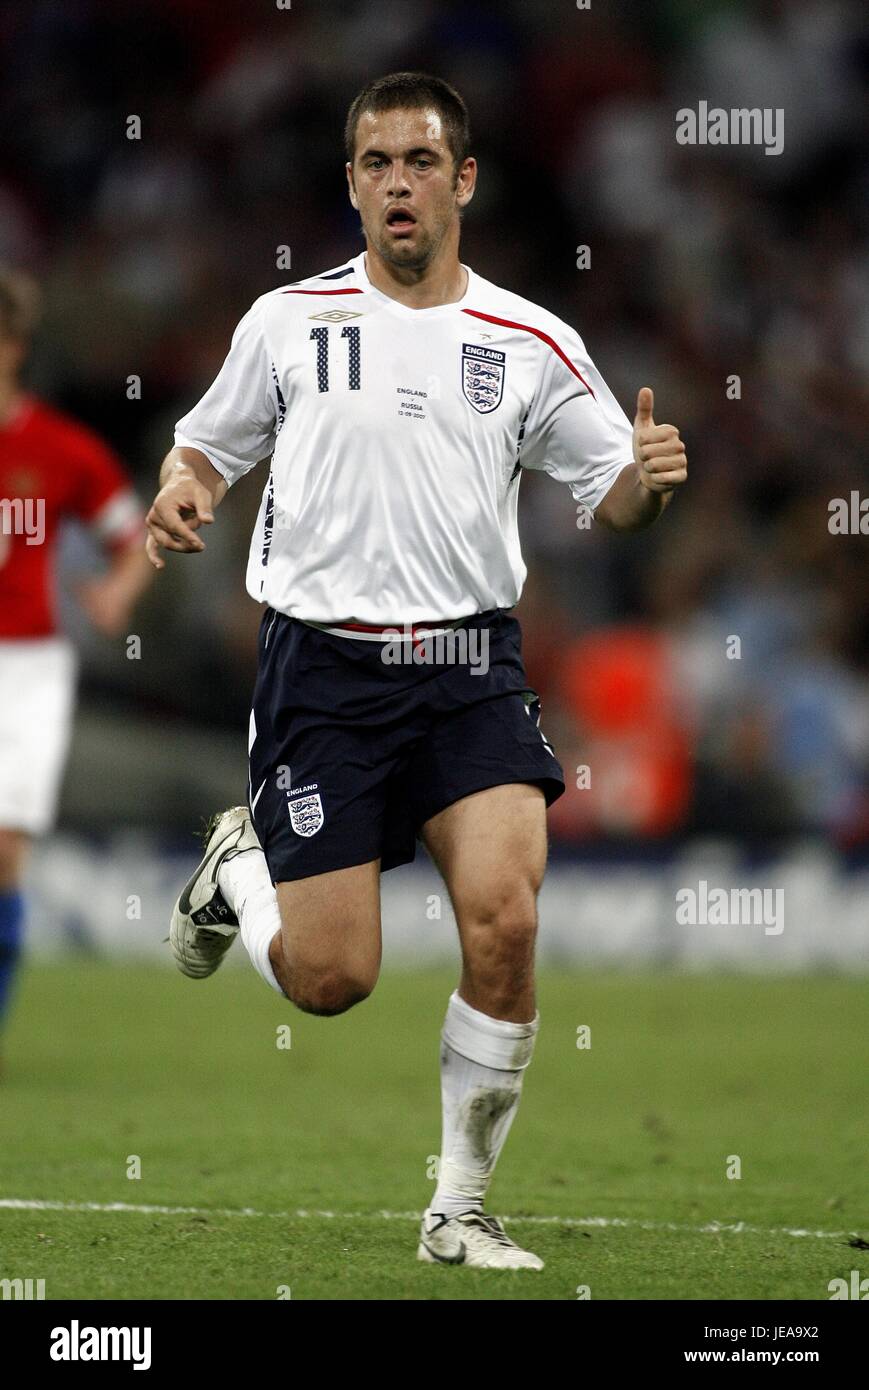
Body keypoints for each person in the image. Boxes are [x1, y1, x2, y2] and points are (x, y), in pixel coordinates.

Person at [145, 72, 688, 1270]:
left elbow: (613, 497)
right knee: (331, 979)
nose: (399, 182)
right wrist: (182, 491)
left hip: (468, 667)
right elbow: (206, 444)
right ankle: (239, 870)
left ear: (464, 180)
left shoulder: (531, 340)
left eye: (421, 162)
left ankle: (458, 1207)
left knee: (505, 913)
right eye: (377, 163)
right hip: (323, 674)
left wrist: (646, 478)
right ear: (350, 185)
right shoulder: (285, 321)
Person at [0, 269, 151, 1050]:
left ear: (14, 348)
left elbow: (136, 537)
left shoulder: (60, 450)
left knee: (4, 850)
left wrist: (117, 595)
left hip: (26, 668)